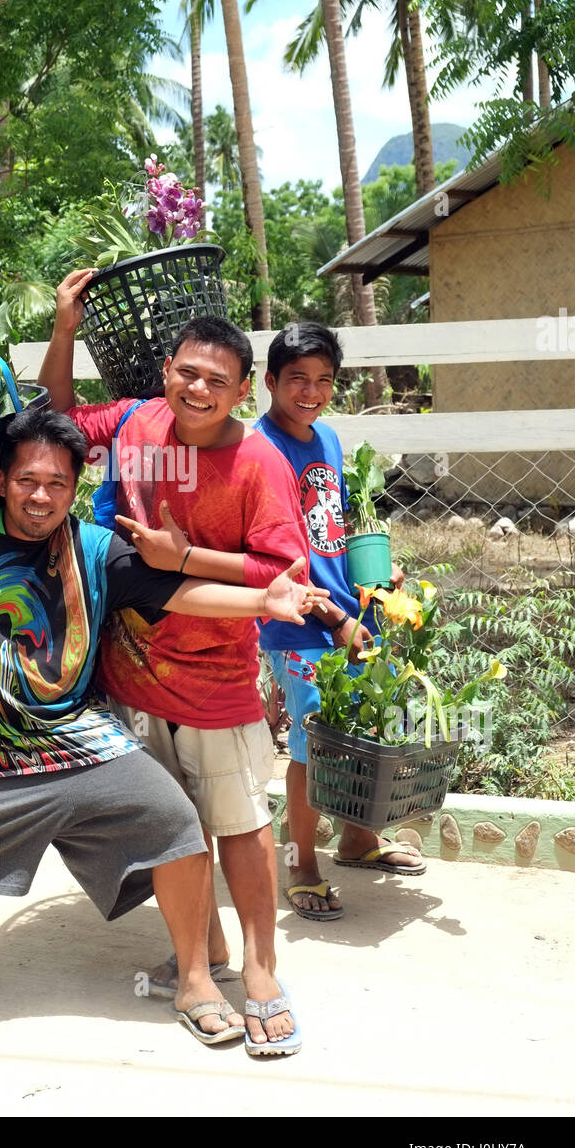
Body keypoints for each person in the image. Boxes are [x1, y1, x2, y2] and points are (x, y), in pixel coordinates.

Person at [0, 405, 313, 1047]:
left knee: (175, 821)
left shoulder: (94, 548)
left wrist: (262, 601)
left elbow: (177, 592)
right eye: (26, 481)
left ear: (75, 489)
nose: (40, 495)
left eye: (57, 484)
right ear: (1, 482)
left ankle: (195, 980)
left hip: (76, 735)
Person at [39, 276, 327, 1053]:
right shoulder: (134, 422)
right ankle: (204, 959)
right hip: (133, 672)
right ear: (166, 370)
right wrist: (65, 327)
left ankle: (262, 973)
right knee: (174, 829)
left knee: (240, 828)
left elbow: (285, 574)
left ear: (240, 393)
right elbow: (57, 420)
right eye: (187, 372)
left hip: (216, 677)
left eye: (217, 381)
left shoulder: (260, 462)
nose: (198, 389)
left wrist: (184, 555)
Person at [255, 322, 426, 921]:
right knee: (313, 742)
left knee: (357, 729)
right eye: (297, 379)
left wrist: (375, 577)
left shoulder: (326, 438)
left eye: (324, 380)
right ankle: (303, 860)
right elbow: (266, 555)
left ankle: (357, 840)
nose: (311, 391)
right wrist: (330, 617)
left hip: (347, 612)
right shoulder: (259, 450)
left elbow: (329, 530)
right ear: (270, 381)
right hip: (299, 621)